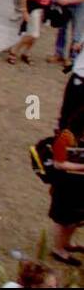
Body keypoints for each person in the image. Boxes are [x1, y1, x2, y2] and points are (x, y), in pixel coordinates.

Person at [47, 112, 84, 267]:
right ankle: (59, 249)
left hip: (79, 186)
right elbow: (58, 163)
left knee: (75, 220)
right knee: (64, 220)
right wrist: (81, 167)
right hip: (66, 186)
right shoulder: (65, 137)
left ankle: (67, 243)